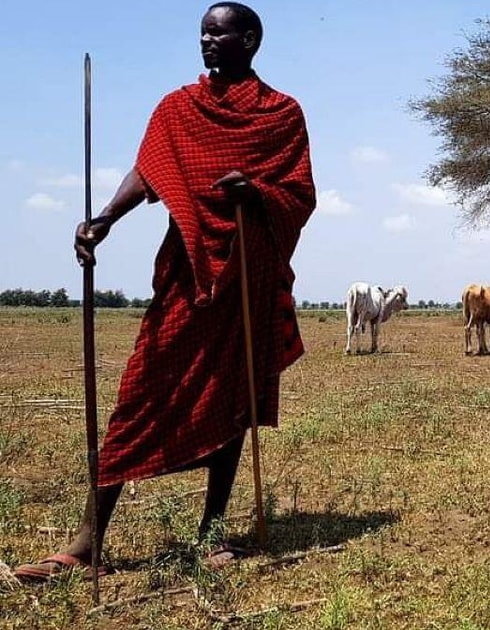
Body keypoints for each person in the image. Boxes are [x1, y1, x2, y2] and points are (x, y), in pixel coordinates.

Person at [15, 2, 315, 582]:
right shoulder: (179, 107)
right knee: (140, 389)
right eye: (201, 33)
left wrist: (255, 191)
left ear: (249, 39)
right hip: (187, 272)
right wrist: (103, 219)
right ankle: (86, 544)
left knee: (234, 398)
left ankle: (211, 532)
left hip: (245, 278)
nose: (205, 41)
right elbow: (149, 171)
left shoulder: (281, 113)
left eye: (217, 32)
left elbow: (298, 193)